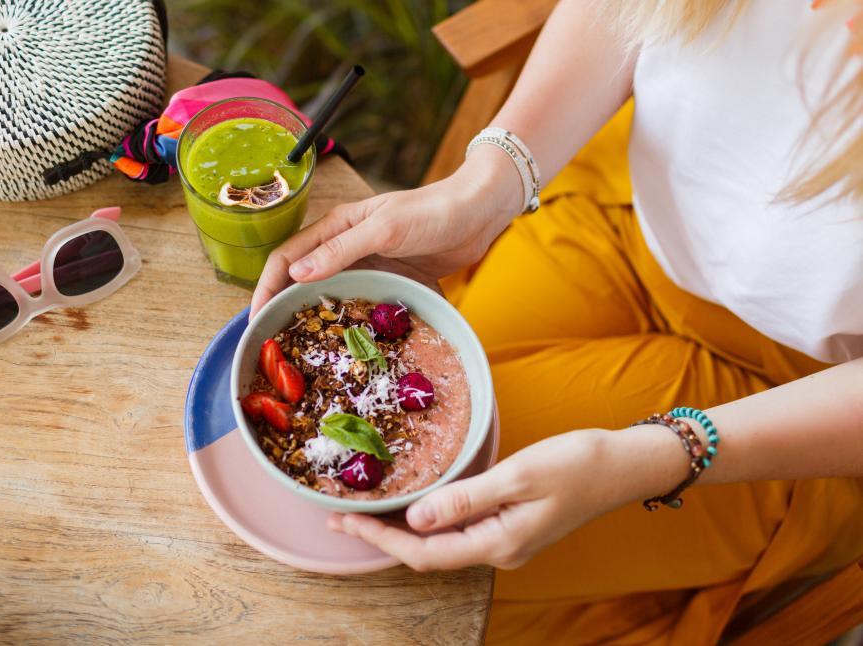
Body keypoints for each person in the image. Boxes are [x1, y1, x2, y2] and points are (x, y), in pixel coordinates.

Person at [251, 0, 863, 642]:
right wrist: (486, 188)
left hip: (793, 398)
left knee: (402, 584)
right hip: (615, 209)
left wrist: (655, 458)